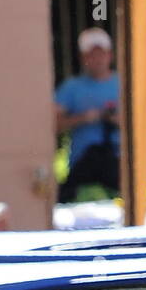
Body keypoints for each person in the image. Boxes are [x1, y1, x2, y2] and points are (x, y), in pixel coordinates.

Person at [54, 26, 121, 202]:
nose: (97, 59)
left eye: (102, 53)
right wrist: (84, 118)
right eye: (91, 54)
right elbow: (54, 125)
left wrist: (121, 121)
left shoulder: (125, 83)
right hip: (82, 167)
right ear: (83, 58)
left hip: (119, 166)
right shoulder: (71, 88)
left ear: (110, 55)